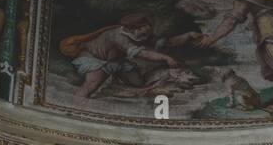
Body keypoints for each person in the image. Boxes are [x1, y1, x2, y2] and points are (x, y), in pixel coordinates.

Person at [59, 13, 200, 99]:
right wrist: (165, 58)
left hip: (118, 61)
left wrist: (188, 35)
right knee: (91, 85)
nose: (147, 35)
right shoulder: (118, 36)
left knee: (138, 82)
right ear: (136, 28)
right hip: (95, 59)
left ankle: (114, 83)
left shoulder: (142, 33)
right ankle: (80, 104)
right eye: (144, 31)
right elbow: (143, 54)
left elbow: (166, 42)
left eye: (148, 30)